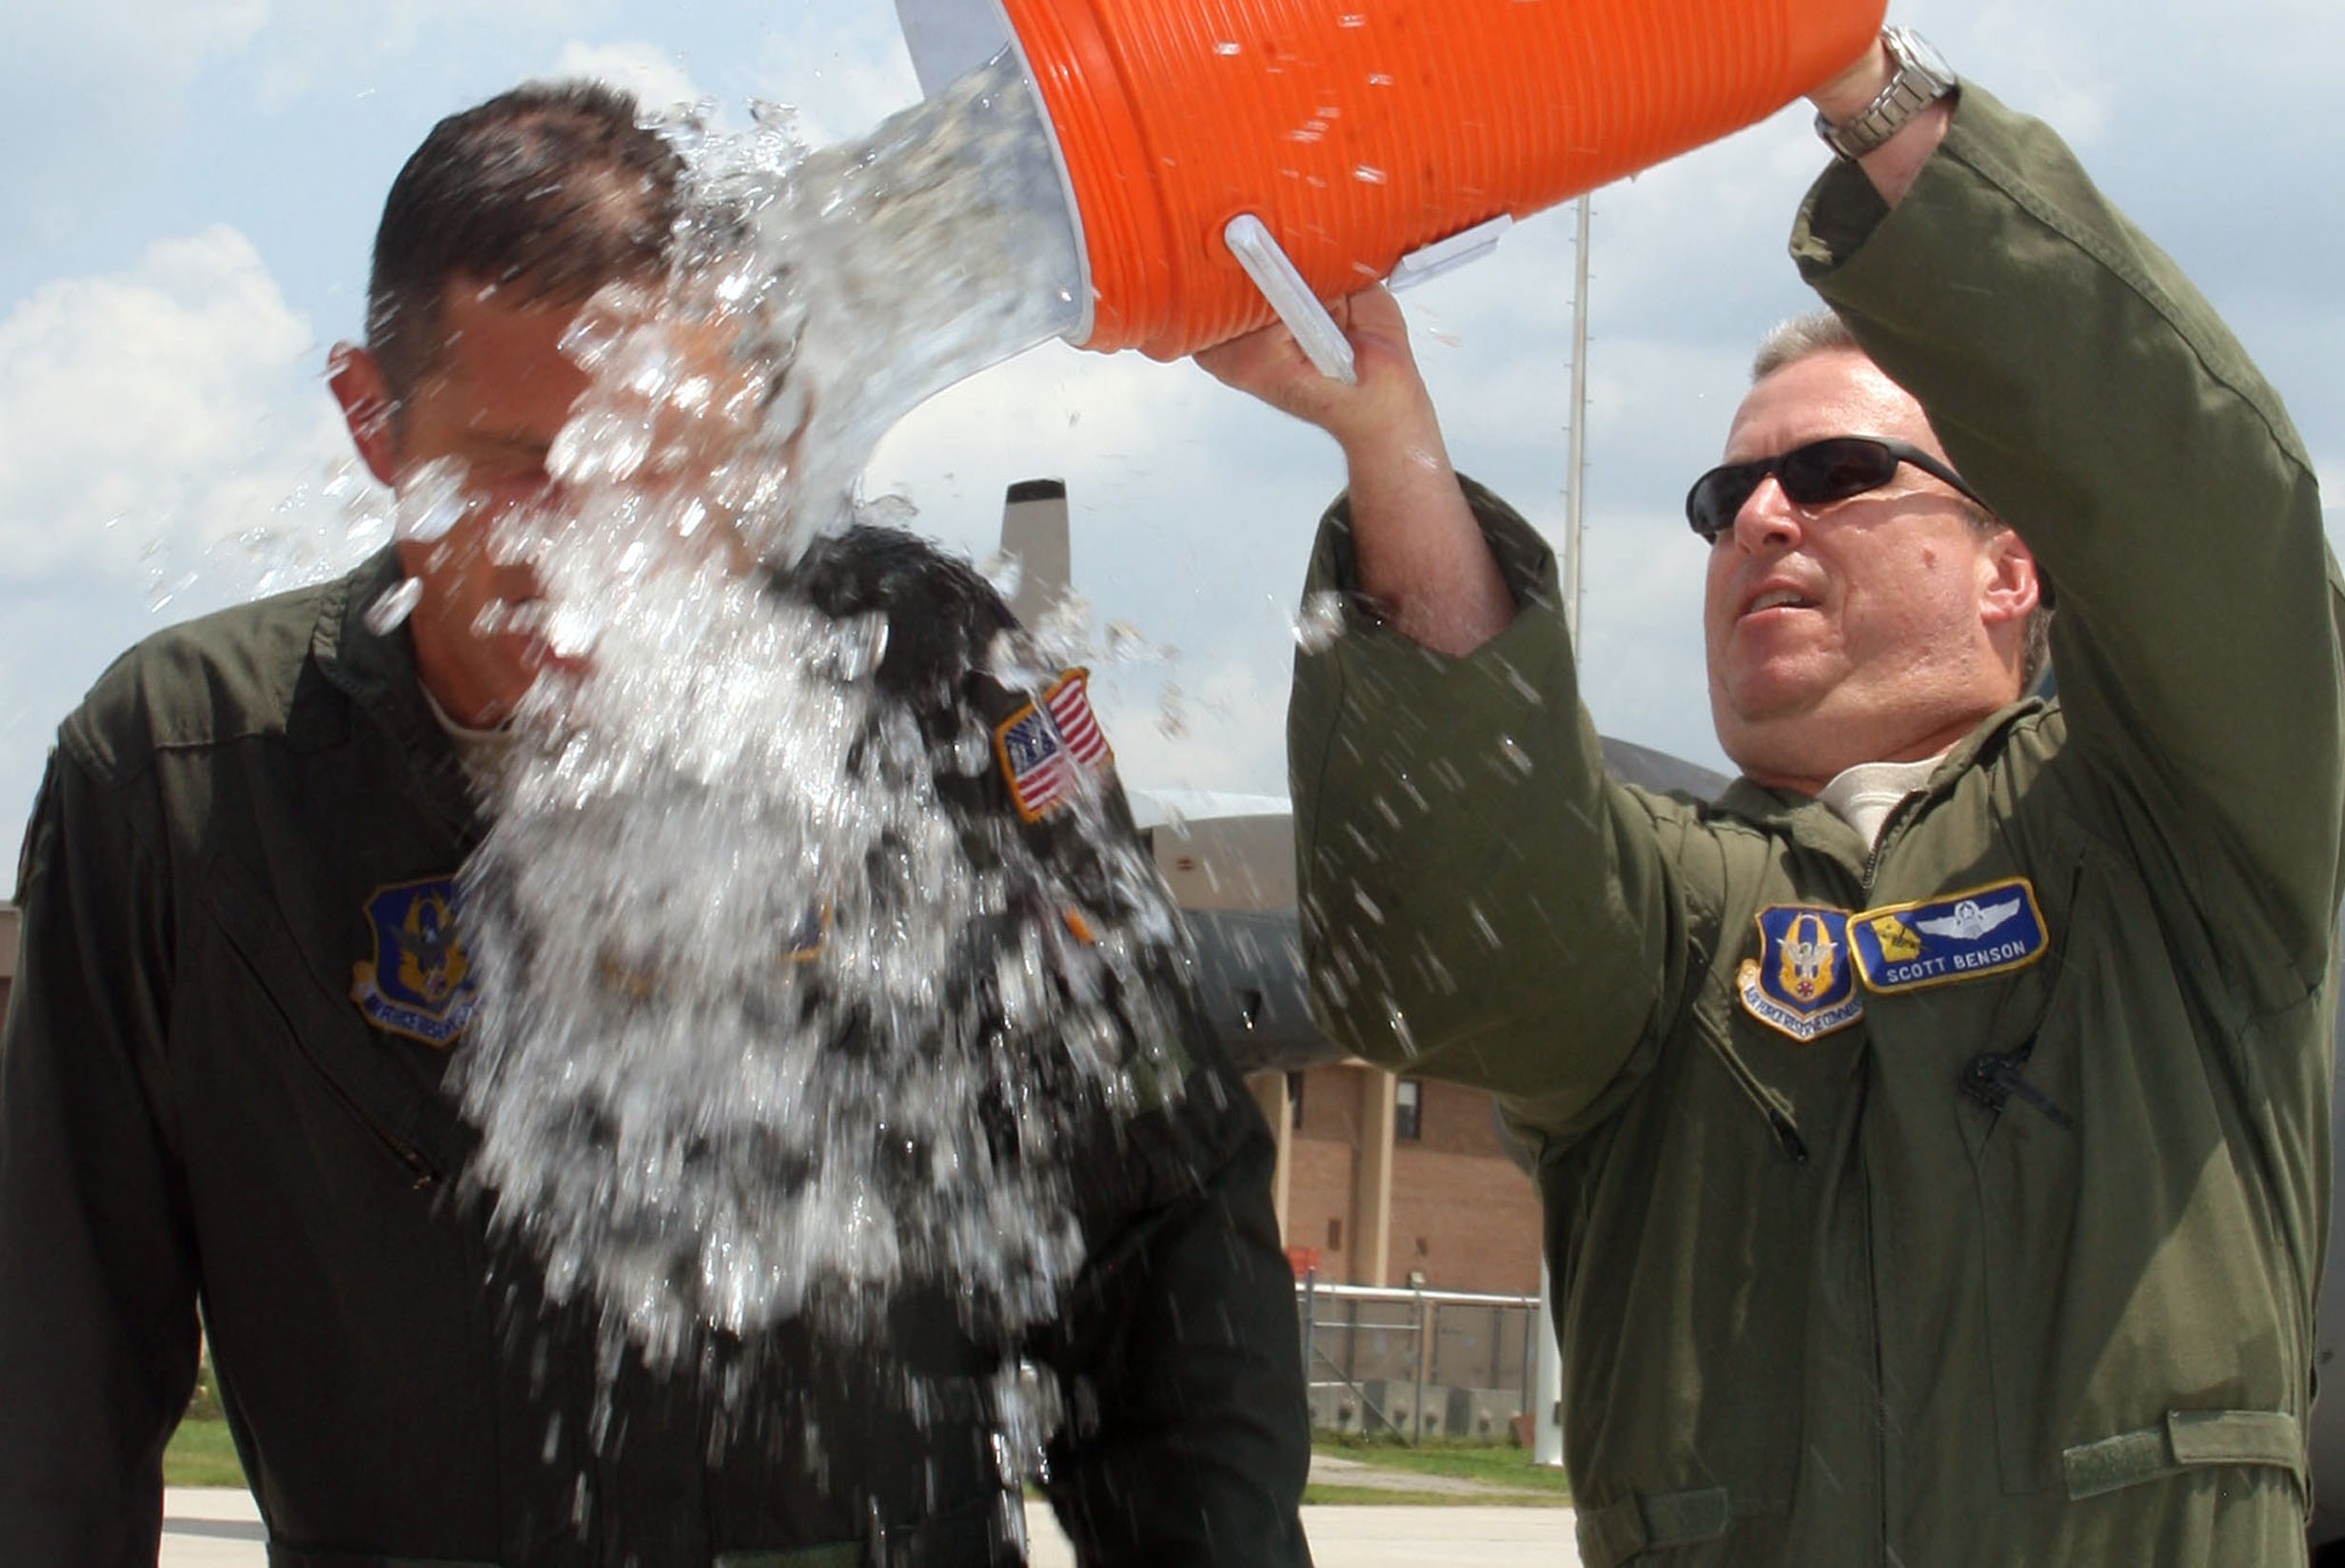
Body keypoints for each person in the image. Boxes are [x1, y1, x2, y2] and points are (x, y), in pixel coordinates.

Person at [0, 82, 1311, 1566]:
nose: (595, 552)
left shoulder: (928, 688)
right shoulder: (182, 781)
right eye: (518, 469)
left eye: (660, 474)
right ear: (373, 421)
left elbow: (1157, 1226)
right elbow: (54, 1377)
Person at [1205, 24, 2340, 1567]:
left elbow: (2200, 509)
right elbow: (1468, 936)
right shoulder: (1676, 913)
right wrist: (1382, 433)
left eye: (1837, 475)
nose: (1761, 521)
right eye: (1727, 496)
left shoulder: (2176, 834)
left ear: (2011, 567)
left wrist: (1848, 70)